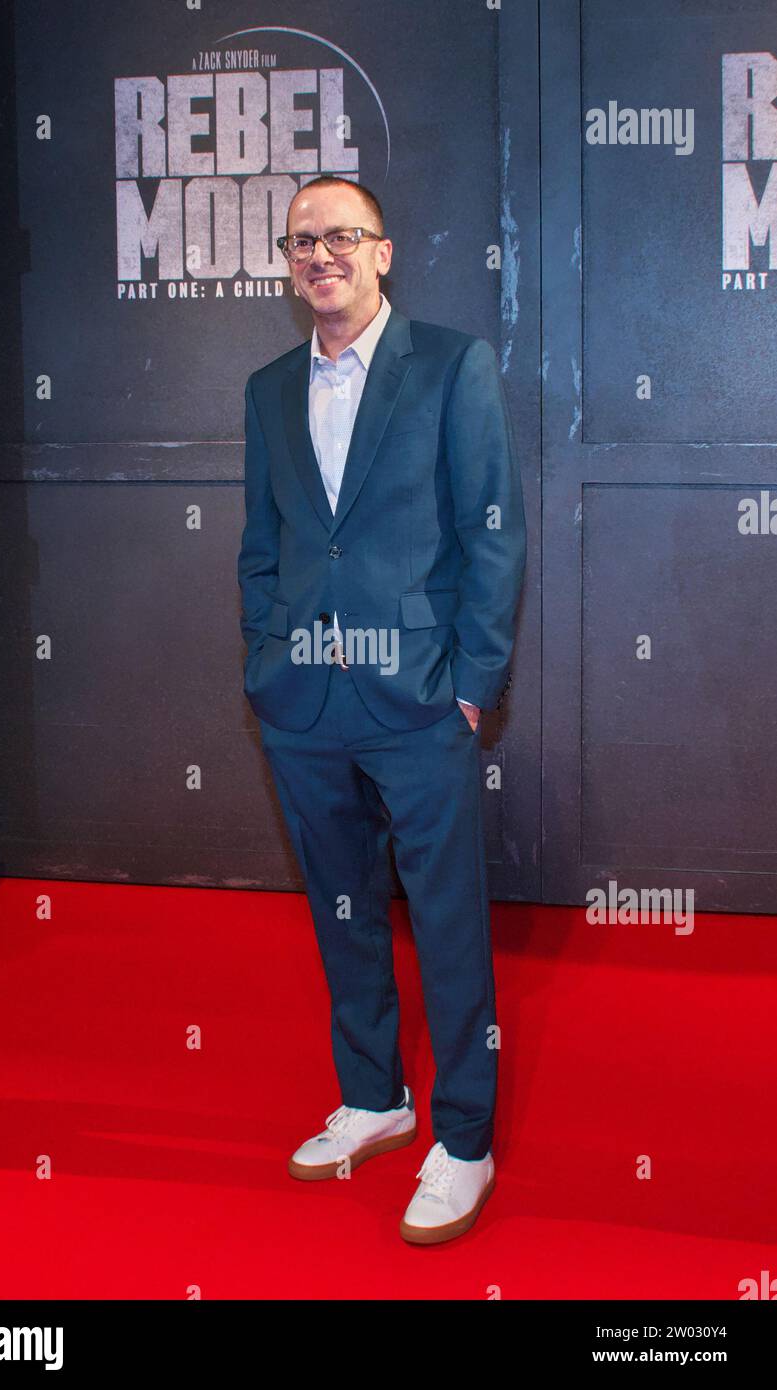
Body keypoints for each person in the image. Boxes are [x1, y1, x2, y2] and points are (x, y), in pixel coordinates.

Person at [237, 175, 526, 1244]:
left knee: (445, 921)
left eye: (342, 236)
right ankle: (374, 1097)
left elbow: (495, 532)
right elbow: (262, 543)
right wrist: (264, 656)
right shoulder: (268, 386)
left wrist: (470, 684)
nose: (323, 254)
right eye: (304, 240)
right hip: (301, 697)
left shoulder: (453, 365)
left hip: (417, 699)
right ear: (288, 260)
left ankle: (464, 1137)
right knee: (342, 907)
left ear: (384, 251)